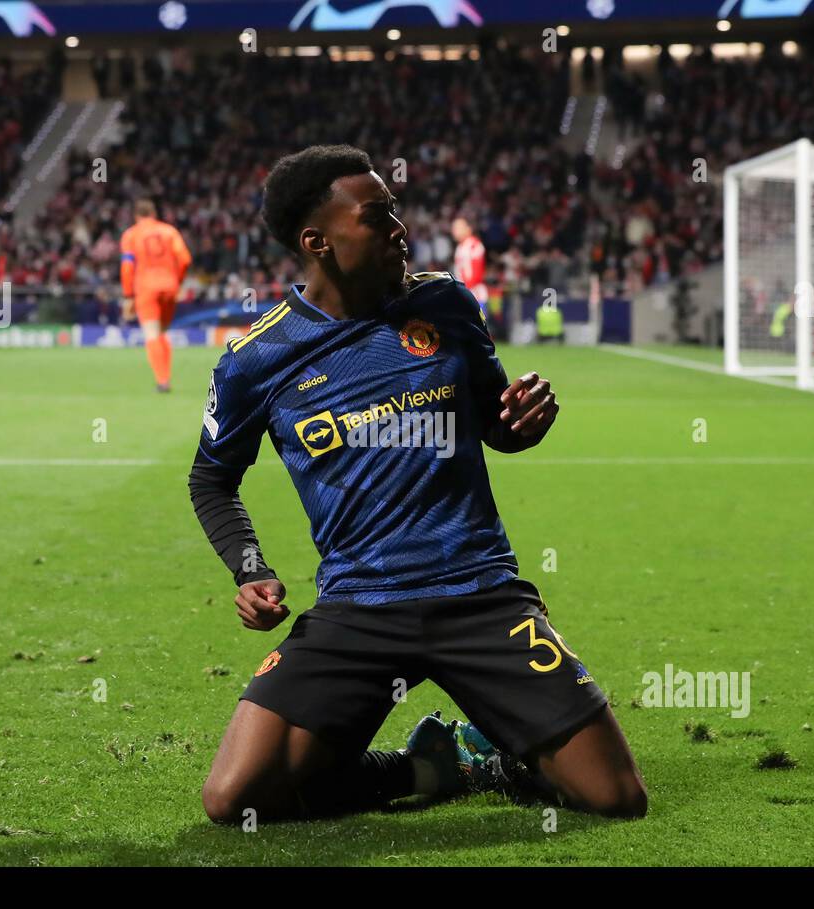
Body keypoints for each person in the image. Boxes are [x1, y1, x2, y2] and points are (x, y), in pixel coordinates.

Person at [189, 145, 646, 823]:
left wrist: (518, 426)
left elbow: (494, 423)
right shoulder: (257, 359)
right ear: (319, 241)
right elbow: (212, 479)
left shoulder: (444, 303)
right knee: (235, 799)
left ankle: (506, 748)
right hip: (359, 608)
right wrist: (248, 567)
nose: (399, 228)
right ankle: (431, 768)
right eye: (377, 217)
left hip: (480, 595)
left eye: (394, 211)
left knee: (615, 798)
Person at [119, 199, 192, 392]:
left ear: (136, 216)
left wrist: (128, 296)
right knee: (162, 333)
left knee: (152, 334)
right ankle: (165, 376)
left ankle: (162, 381)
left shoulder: (130, 235)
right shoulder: (169, 231)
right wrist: (179, 282)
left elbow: (127, 267)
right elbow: (185, 259)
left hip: (145, 288)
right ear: (154, 214)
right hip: (170, 287)